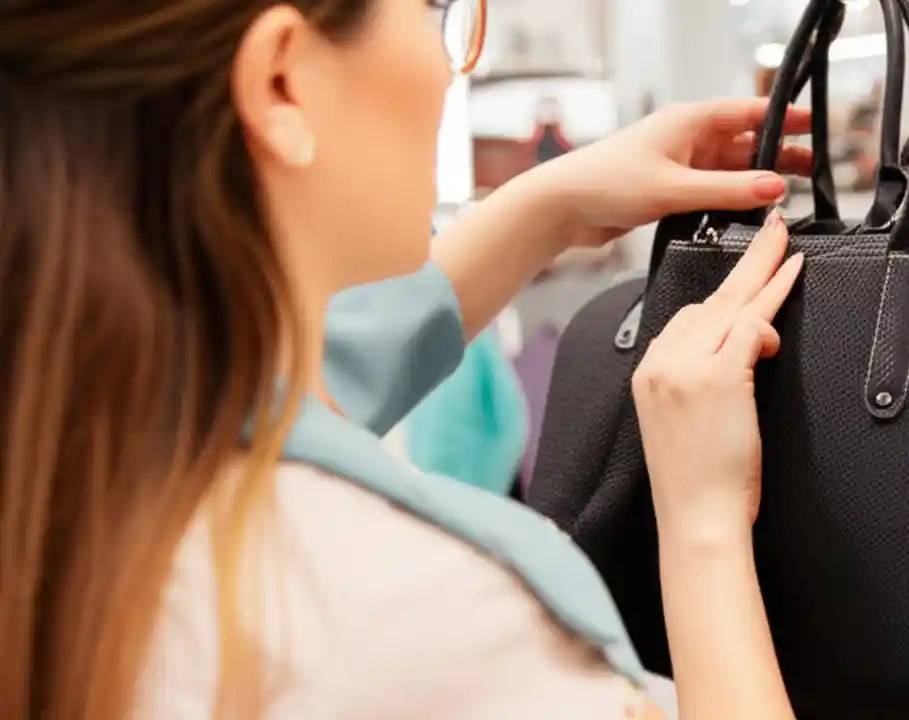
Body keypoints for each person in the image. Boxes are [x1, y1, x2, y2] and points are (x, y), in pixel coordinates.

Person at [0, 1, 815, 718]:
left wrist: (549, 209)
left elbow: (296, 383)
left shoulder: (71, 461)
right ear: (282, 83)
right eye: (433, 9)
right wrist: (702, 523)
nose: (445, 67)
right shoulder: (415, 620)